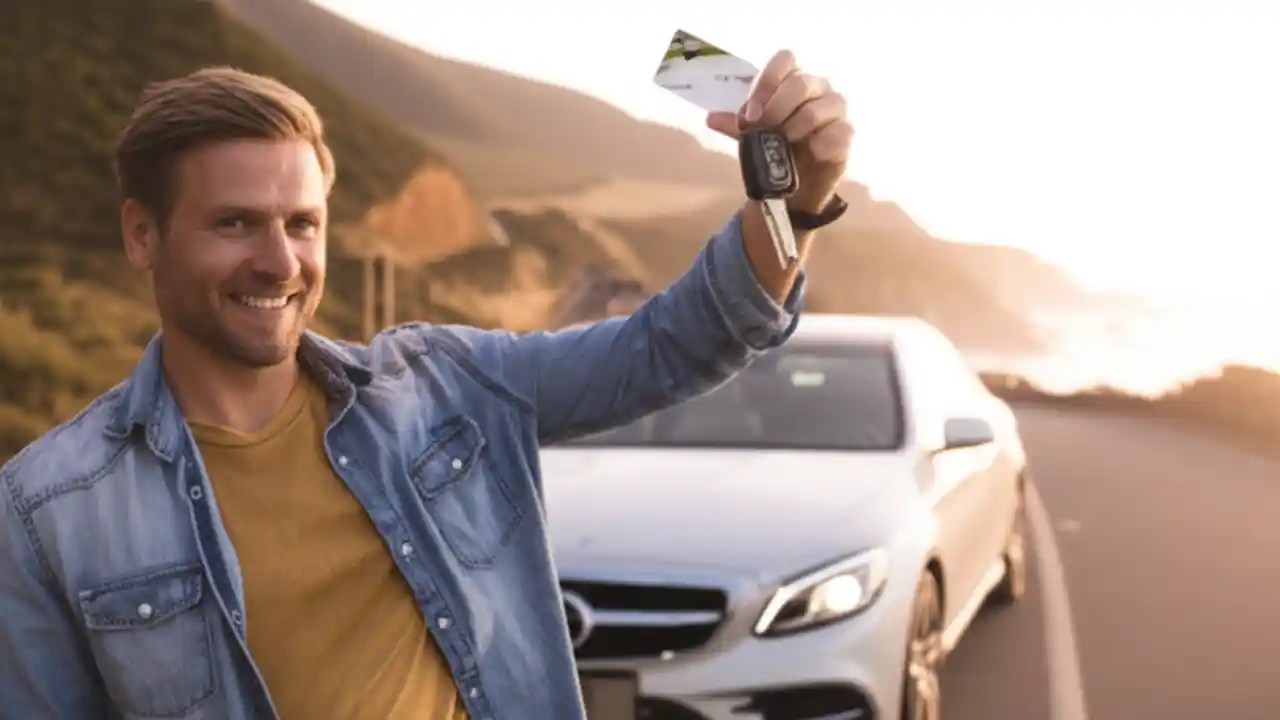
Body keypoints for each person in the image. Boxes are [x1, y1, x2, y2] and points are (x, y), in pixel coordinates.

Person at [0, 48, 852, 719]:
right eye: (234, 224)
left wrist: (798, 200)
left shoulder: (445, 387)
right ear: (143, 236)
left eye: (302, 224)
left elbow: (675, 345)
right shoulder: (46, 512)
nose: (279, 260)